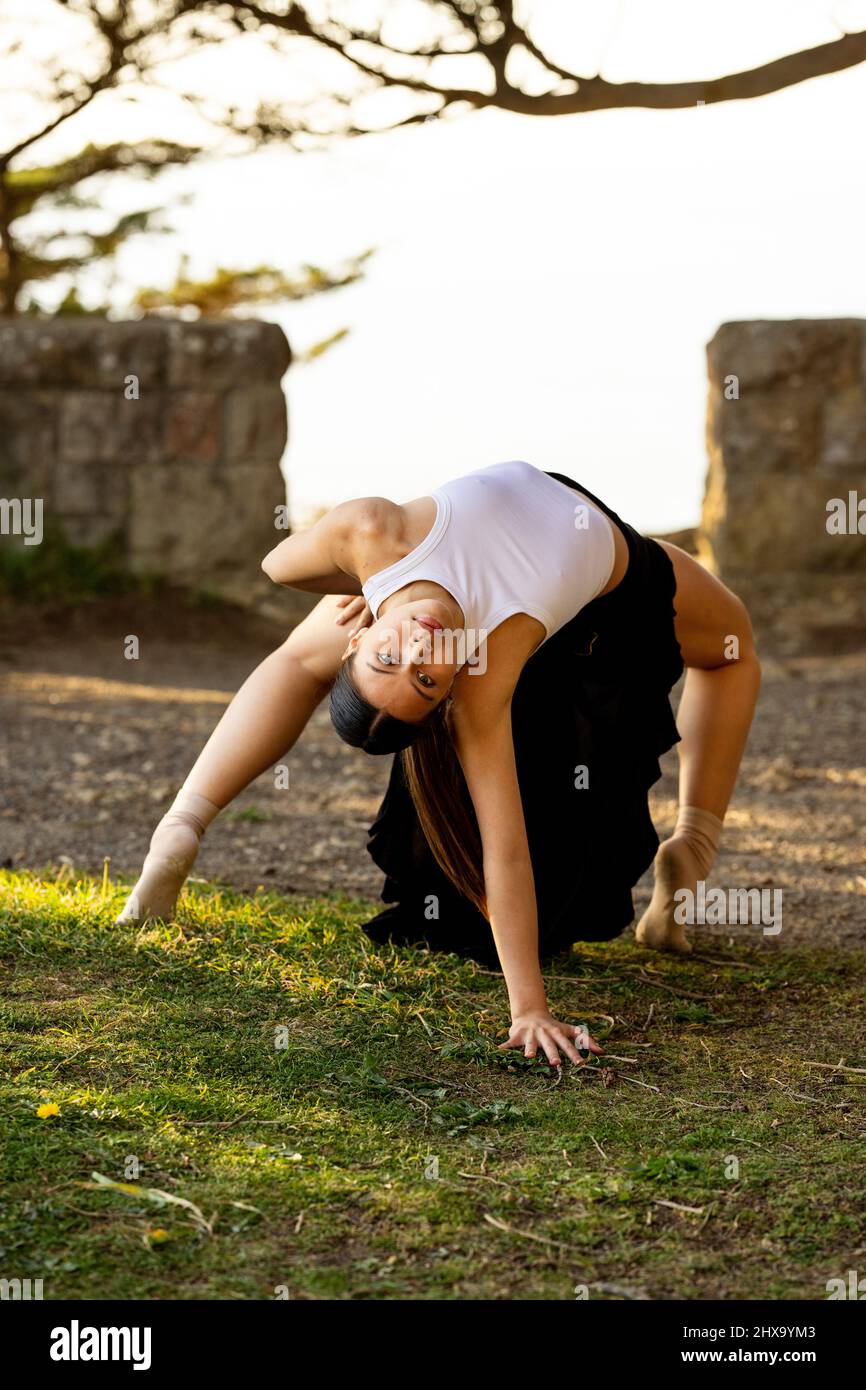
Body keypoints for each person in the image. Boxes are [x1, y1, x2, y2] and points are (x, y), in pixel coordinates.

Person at [116, 461, 760, 1068]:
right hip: (611, 598)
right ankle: (694, 847)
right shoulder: (476, 662)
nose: (420, 645)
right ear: (453, 684)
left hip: (525, 576)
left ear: (361, 638)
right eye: (425, 676)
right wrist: (528, 1008)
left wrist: (368, 586)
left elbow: (275, 565)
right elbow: (503, 846)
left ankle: (184, 822)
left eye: (389, 654)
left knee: (304, 655)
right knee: (735, 649)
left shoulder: (376, 544)